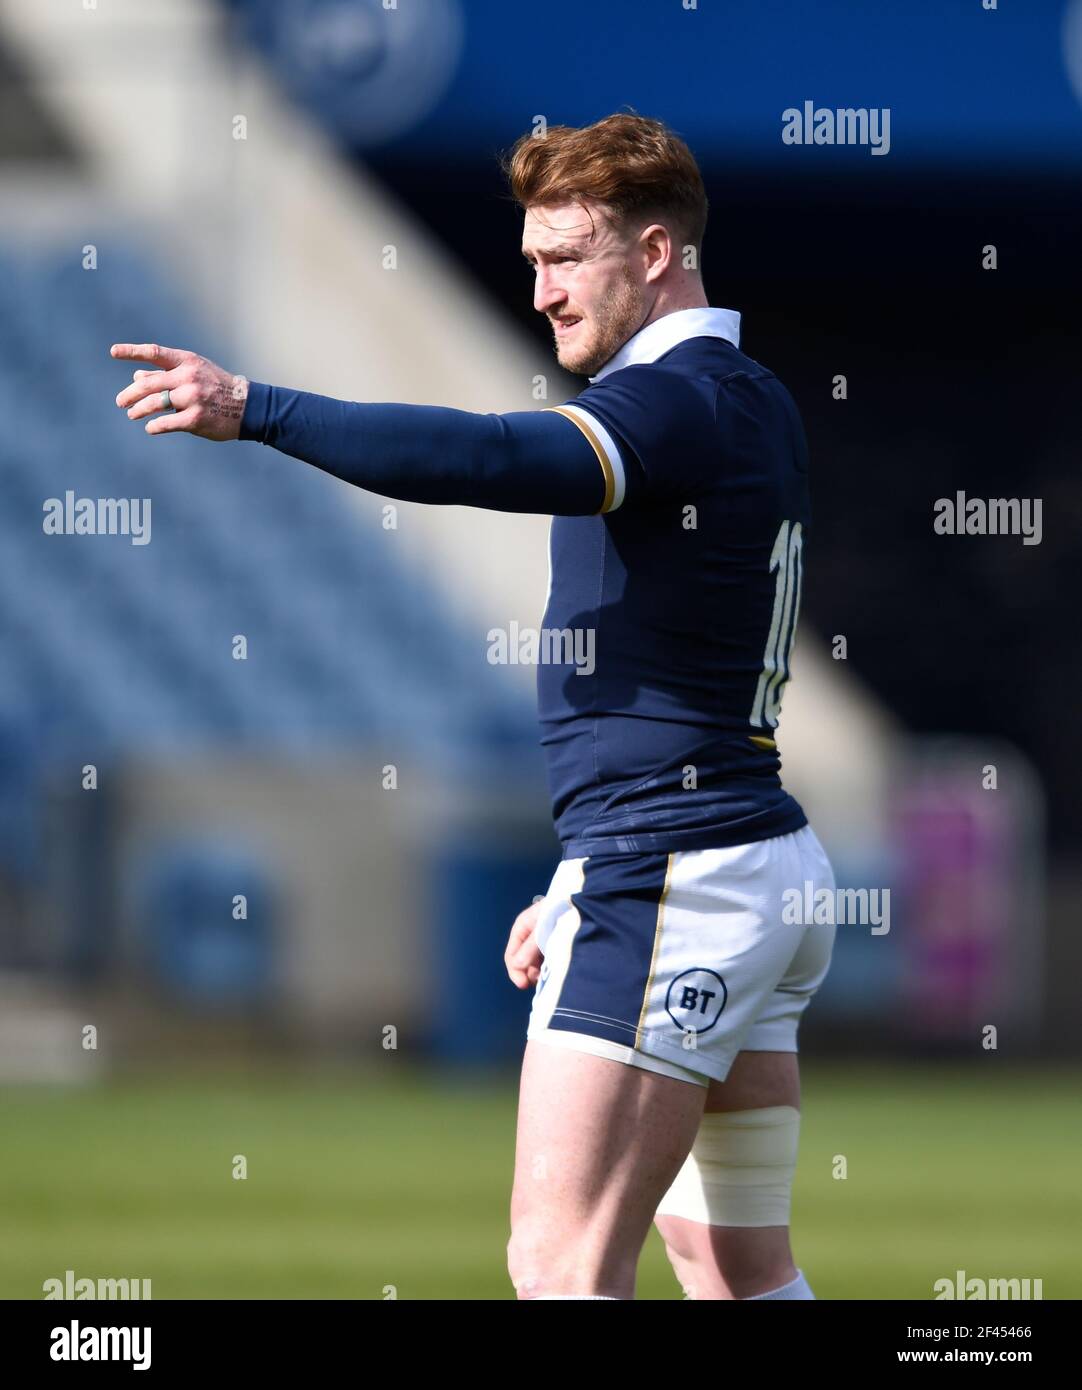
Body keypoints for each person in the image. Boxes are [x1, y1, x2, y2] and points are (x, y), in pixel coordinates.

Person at [111, 112, 836, 1301]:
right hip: (743, 860)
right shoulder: (747, 395)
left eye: (565, 258)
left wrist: (258, 408)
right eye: (531, 261)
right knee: (734, 1267)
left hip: (675, 872)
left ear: (654, 252)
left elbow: (489, 459)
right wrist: (574, 872)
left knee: (557, 1269)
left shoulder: (675, 402)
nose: (541, 293)